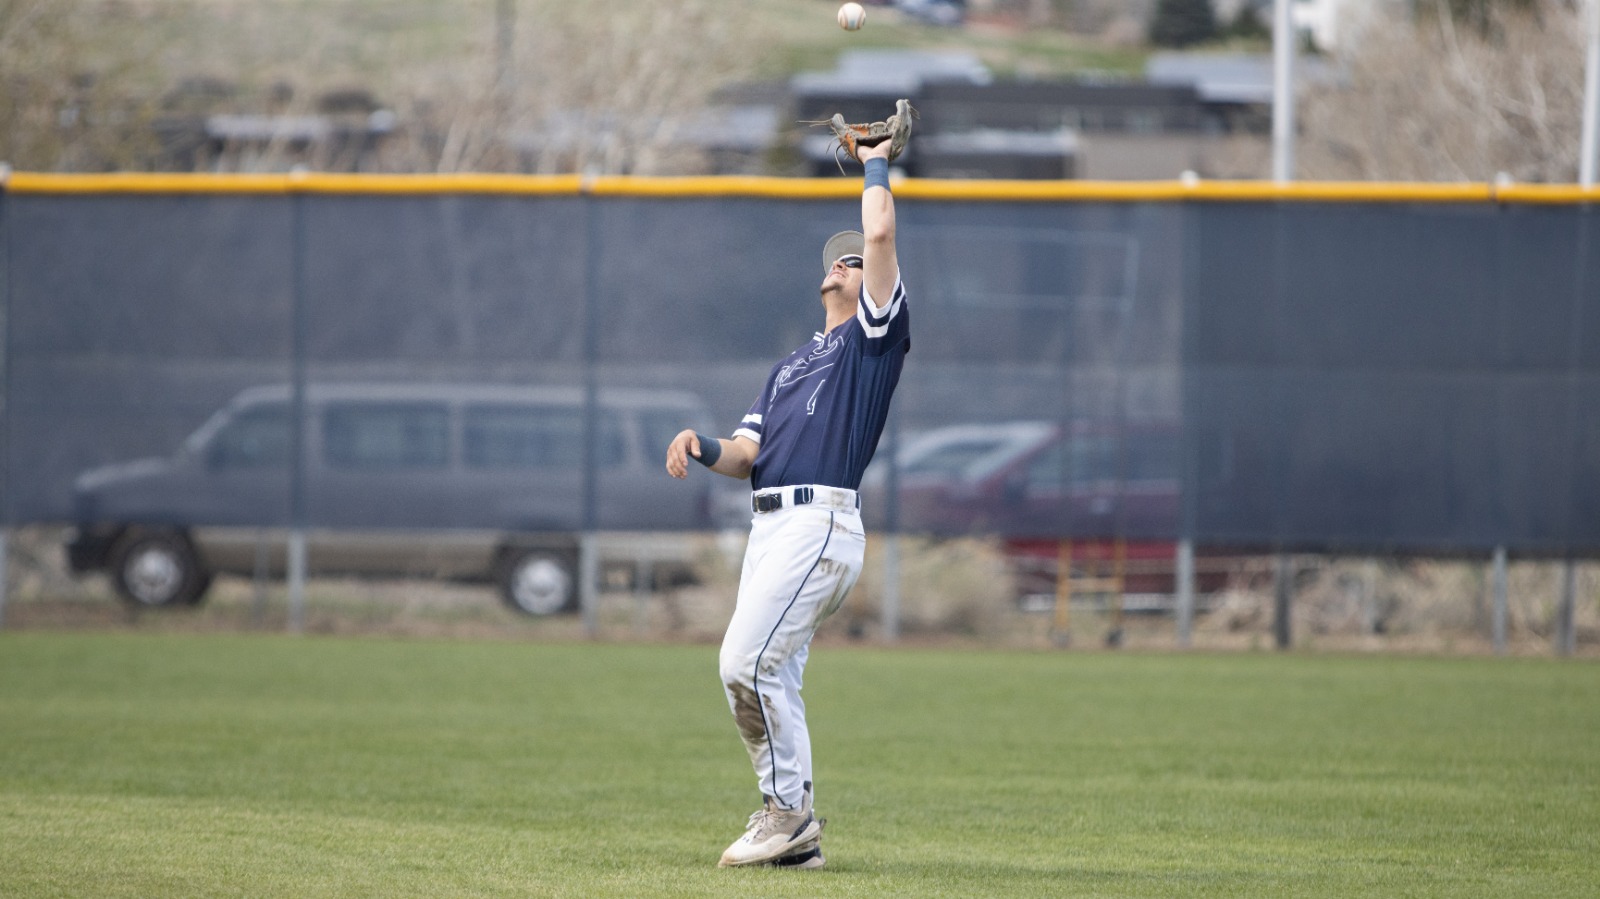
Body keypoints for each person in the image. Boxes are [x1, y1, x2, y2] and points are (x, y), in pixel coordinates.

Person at [665, 137, 910, 870]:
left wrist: (875, 160)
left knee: (744, 661)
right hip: (769, 527)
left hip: (819, 521)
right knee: (771, 673)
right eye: (836, 260)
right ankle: (797, 845)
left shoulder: (872, 342)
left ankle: (786, 813)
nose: (843, 263)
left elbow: (880, 233)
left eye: (853, 262)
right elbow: (746, 455)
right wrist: (700, 443)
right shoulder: (788, 367)